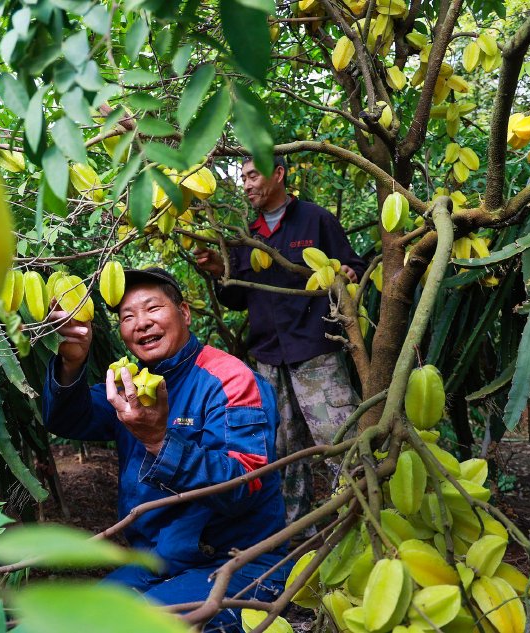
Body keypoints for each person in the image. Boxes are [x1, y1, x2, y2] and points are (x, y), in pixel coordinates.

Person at [44, 266, 290, 633]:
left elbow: (243, 487)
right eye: (127, 316)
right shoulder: (131, 382)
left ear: (184, 313)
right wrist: (72, 362)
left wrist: (158, 440)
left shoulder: (230, 379)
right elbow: (69, 420)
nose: (141, 323)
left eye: (152, 308)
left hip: (238, 562)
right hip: (159, 561)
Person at [195, 155, 366, 533]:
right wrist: (219, 273)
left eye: (253, 175)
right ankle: (295, 537)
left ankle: (360, 522)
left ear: (279, 174)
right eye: (243, 177)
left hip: (317, 352)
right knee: (283, 453)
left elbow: (352, 265)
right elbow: (238, 299)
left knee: (340, 441)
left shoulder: (315, 219)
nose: (247, 184)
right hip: (269, 357)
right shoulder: (247, 234)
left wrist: (349, 272)